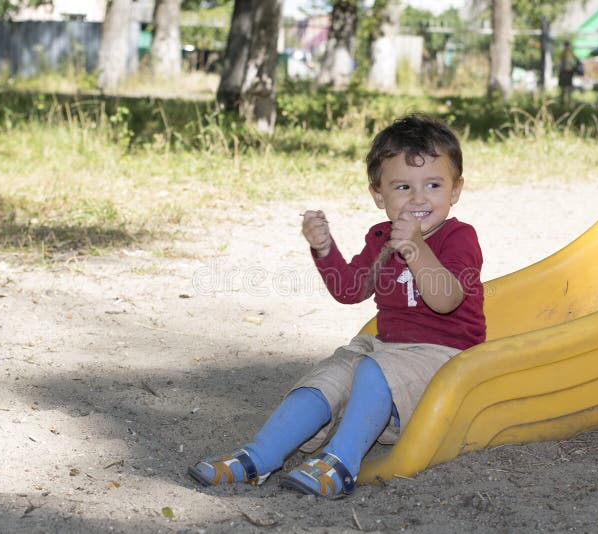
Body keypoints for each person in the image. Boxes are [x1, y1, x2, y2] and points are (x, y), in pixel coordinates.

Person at [188, 115, 486, 498]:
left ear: (455, 189)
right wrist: (324, 249)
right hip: (386, 347)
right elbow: (349, 290)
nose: (417, 199)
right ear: (379, 195)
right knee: (330, 375)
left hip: (444, 356)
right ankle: (258, 457)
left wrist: (415, 247)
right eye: (402, 187)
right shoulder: (381, 236)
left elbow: (446, 300)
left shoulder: (460, 238)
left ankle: (341, 461)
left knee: (375, 370)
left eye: (433, 184)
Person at [558, 40, 581, 106]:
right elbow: (559, 63)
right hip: (563, 73)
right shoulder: (562, 53)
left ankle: (569, 102)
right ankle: (562, 102)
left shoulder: (570, 53)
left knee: (569, 88)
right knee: (563, 88)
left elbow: (577, 60)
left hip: (569, 73)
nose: (566, 47)